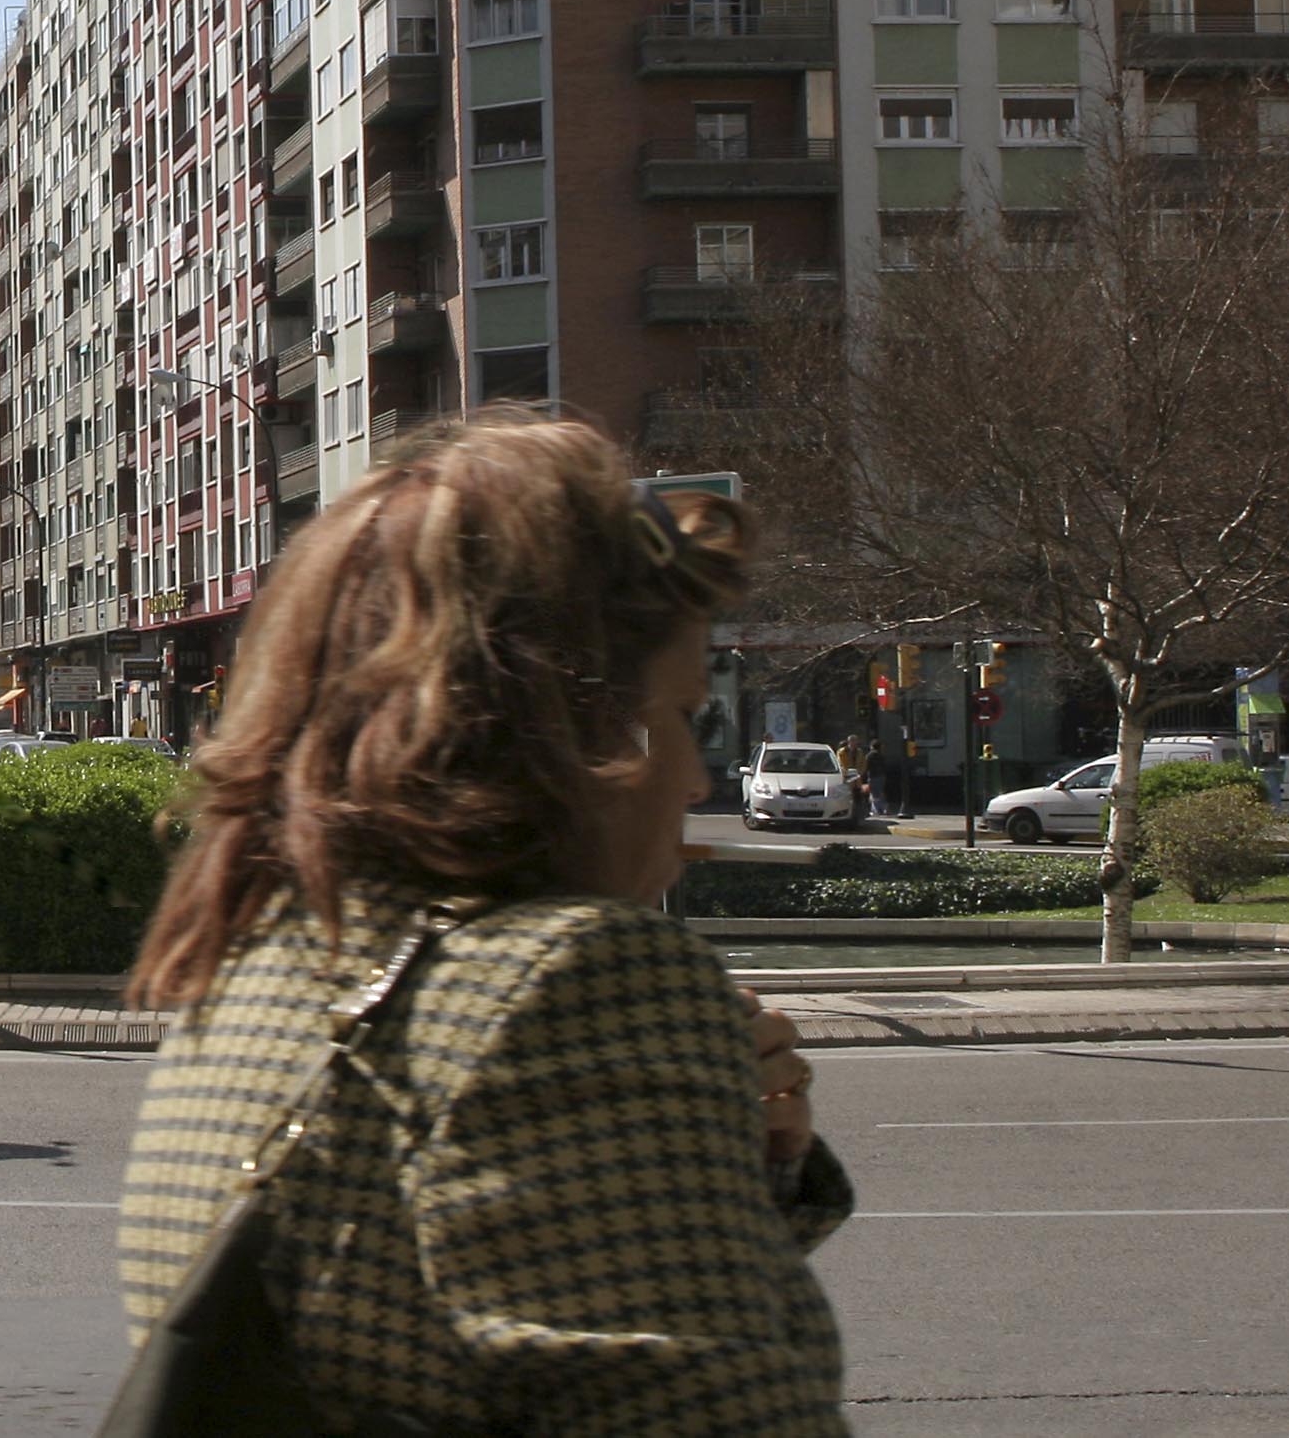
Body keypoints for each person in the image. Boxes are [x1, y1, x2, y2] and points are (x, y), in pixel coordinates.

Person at [116, 412, 851, 1437]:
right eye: (680, 714)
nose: (689, 779)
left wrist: (720, 1172)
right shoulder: (572, 987)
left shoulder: (259, 964)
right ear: (570, 727)